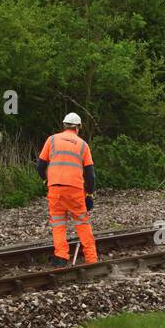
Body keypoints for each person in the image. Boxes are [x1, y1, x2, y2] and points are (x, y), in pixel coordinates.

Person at [37, 112, 98, 265]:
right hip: (75, 191)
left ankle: (61, 257)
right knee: (82, 223)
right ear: (78, 127)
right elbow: (90, 175)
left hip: (55, 189)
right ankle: (91, 259)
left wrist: (46, 181)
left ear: (64, 125)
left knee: (58, 224)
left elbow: (40, 166)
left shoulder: (51, 140)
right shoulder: (83, 145)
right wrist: (89, 194)